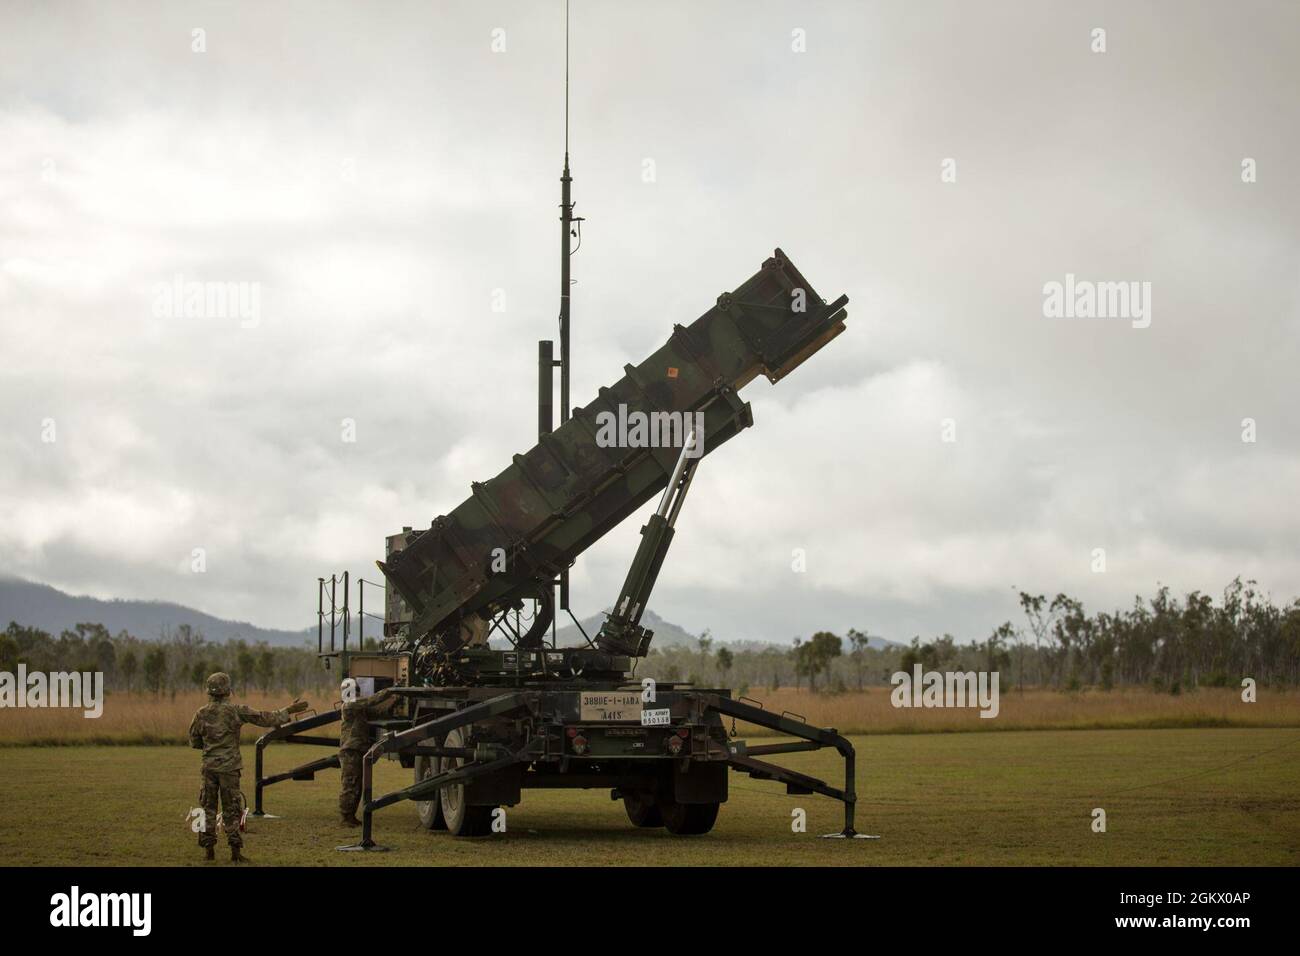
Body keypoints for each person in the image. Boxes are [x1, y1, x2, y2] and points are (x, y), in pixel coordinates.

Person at [188, 672, 307, 862]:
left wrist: (212, 747)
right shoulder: (236, 710)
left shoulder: (200, 713)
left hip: (209, 767)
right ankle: (235, 853)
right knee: (232, 809)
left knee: (208, 808)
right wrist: (289, 710)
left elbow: (194, 741)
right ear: (227, 690)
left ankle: (208, 852)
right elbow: (265, 718)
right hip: (230, 768)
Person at [338, 681, 400, 826]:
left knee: (357, 785)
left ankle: (350, 817)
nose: (357, 693)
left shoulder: (359, 708)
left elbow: (379, 712)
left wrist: (395, 701)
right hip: (350, 751)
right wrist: (390, 690)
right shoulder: (349, 705)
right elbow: (371, 701)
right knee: (350, 784)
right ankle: (345, 817)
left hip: (358, 749)